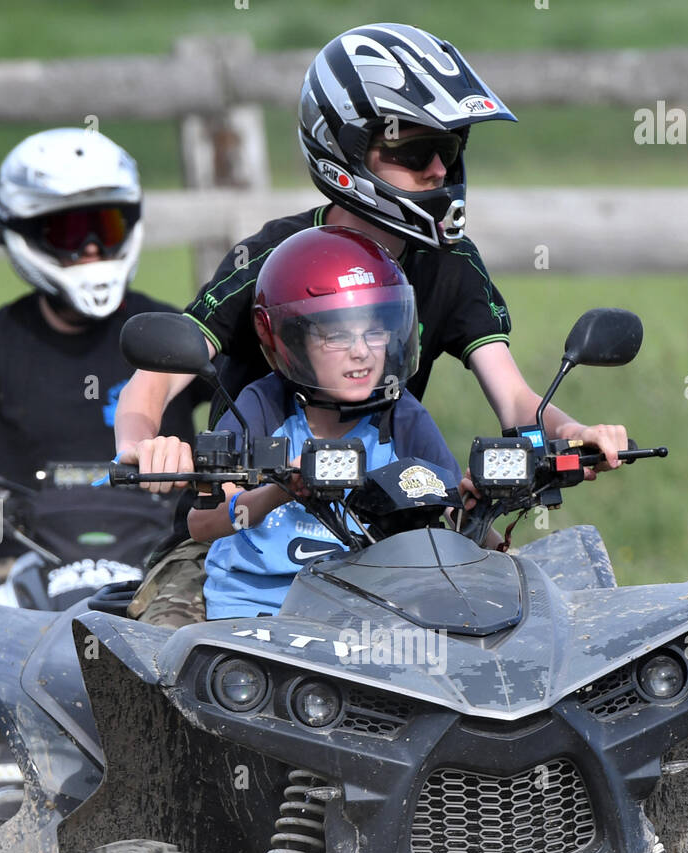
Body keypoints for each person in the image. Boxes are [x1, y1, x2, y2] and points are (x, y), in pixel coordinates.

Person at [115, 22, 627, 622]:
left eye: (451, 148)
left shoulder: (449, 260)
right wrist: (144, 445)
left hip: (387, 529)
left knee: (530, 619)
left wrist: (572, 433)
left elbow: (517, 401)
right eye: (412, 151)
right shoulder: (273, 255)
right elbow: (153, 382)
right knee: (171, 649)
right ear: (345, 150)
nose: (438, 169)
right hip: (237, 536)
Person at [137, 225, 480, 626]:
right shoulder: (261, 408)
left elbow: (449, 518)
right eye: (336, 336)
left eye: (375, 332)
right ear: (292, 340)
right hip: (253, 613)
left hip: (368, 613)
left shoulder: (402, 414)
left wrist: (478, 507)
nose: (361, 353)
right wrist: (278, 492)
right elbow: (202, 523)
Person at [0, 128, 206, 494]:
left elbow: (250, 396)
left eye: (105, 228)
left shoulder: (168, 335)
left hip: (161, 547)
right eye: (69, 233)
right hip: (28, 547)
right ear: (26, 233)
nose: (91, 249)